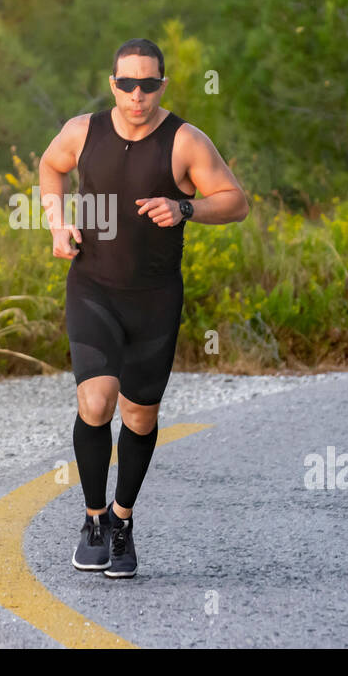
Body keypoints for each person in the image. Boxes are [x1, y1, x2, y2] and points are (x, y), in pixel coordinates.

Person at [38, 37, 249, 578]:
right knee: (96, 402)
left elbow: (234, 201)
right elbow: (49, 167)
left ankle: (123, 520)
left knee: (139, 414)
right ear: (113, 83)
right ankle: (92, 519)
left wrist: (185, 207)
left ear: (163, 84)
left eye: (148, 84)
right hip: (93, 289)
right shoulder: (83, 132)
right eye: (127, 84)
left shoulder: (184, 142)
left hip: (155, 299)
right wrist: (57, 222)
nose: (137, 94)